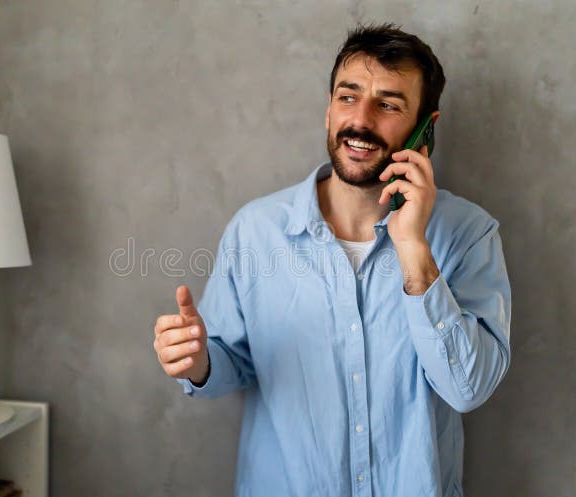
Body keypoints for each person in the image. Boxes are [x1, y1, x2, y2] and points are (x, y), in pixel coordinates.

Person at [152, 22, 511, 497]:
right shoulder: (254, 230)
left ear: (427, 127)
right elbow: (231, 365)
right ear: (328, 110)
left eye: (388, 104)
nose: (360, 120)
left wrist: (413, 250)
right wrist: (198, 361)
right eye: (348, 96)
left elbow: (468, 389)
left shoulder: (470, 234)